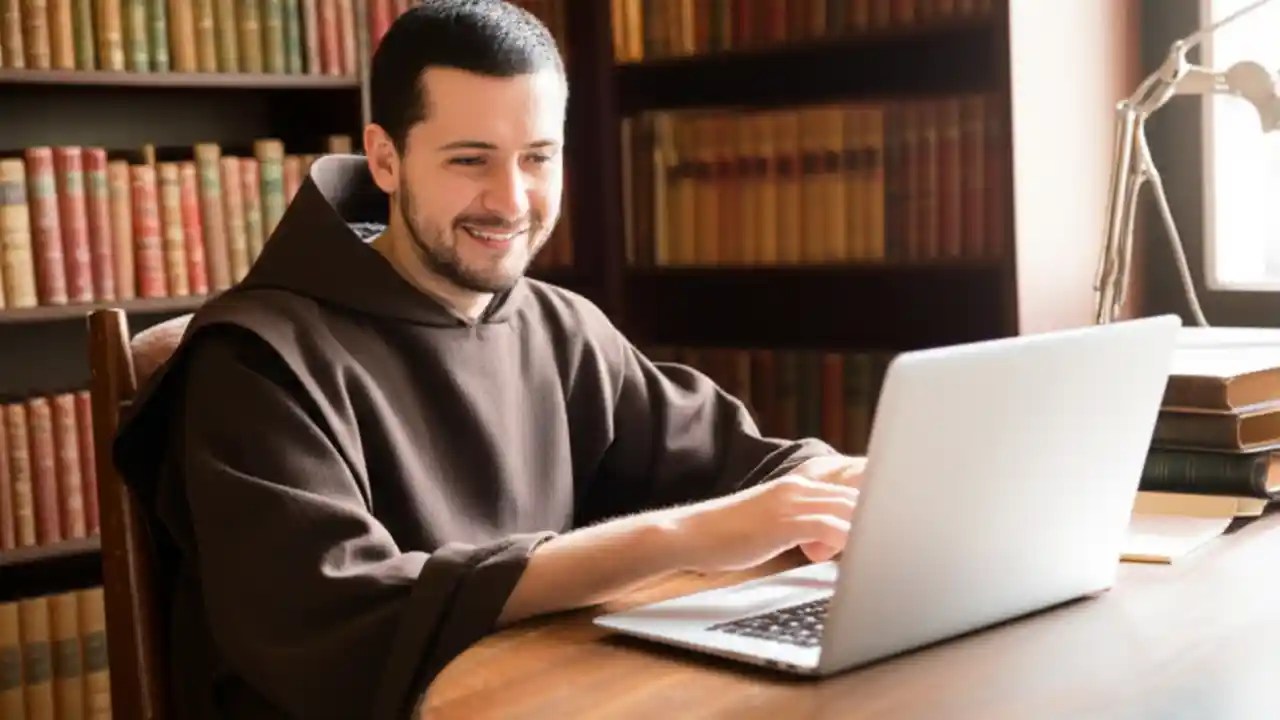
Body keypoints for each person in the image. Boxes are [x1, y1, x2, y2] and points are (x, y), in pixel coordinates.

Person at [113, 2, 866, 718]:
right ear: (385, 158)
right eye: (470, 159)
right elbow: (349, 625)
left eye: (537, 158)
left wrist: (852, 482)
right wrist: (687, 535)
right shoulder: (253, 360)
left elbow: (741, 470)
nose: (510, 200)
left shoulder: (559, 324)